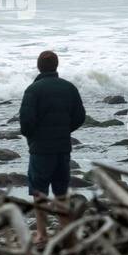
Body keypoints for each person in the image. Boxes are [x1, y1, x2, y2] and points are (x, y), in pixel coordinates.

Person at [19, 50, 86, 244]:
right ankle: (66, 232)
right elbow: (80, 116)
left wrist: (33, 137)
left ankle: (42, 233)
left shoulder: (33, 90)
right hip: (63, 146)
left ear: (39, 66)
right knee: (61, 191)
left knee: (39, 192)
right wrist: (65, 130)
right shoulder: (69, 87)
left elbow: (26, 123)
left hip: (40, 149)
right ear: (56, 66)